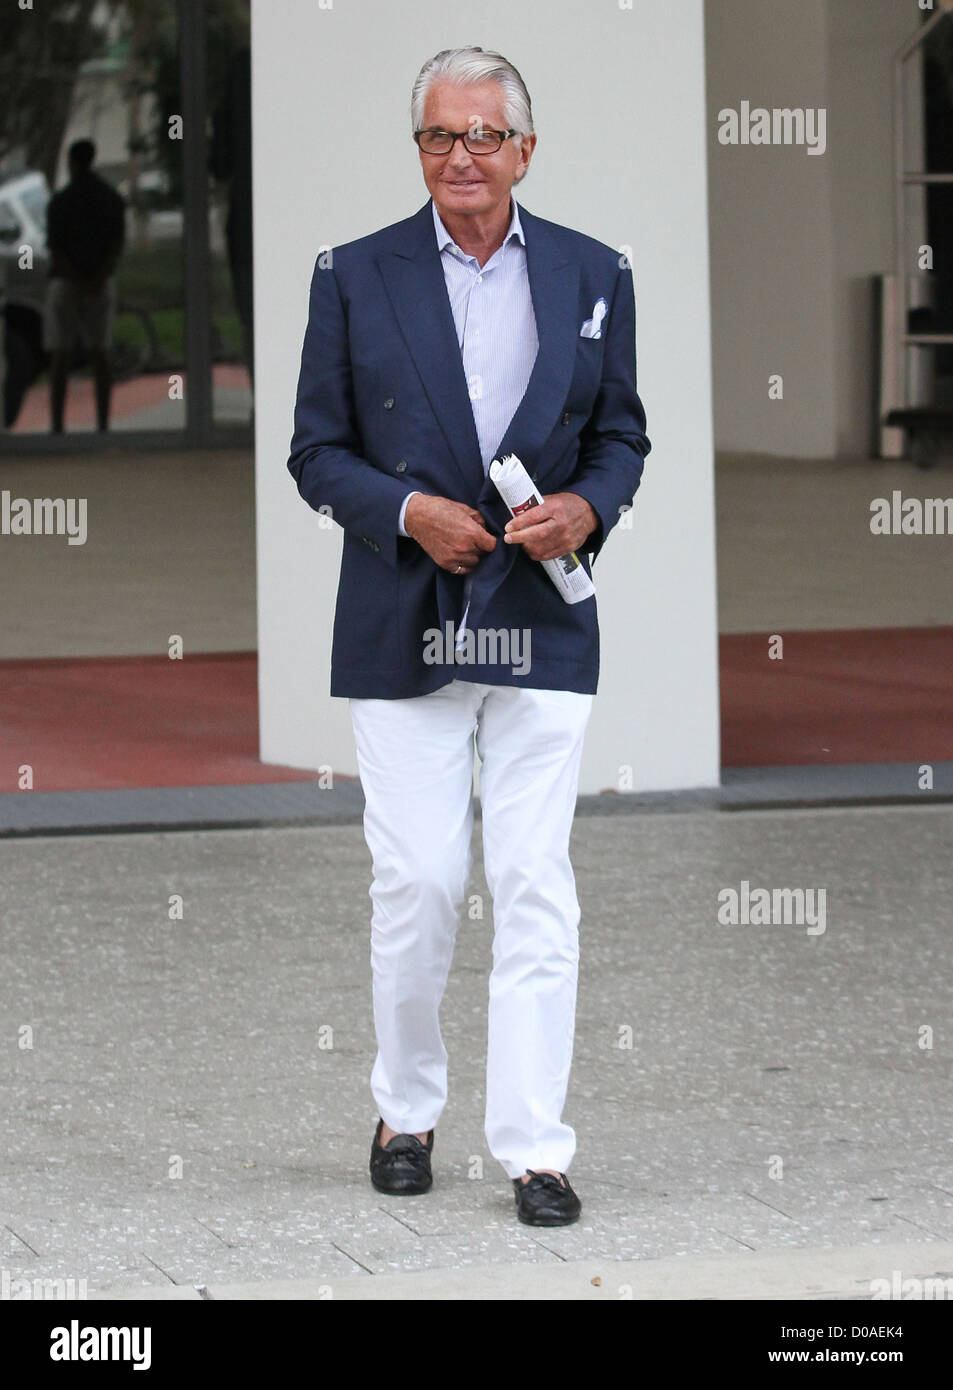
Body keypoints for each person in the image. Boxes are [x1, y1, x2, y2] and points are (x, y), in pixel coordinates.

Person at [287, 46, 650, 1226]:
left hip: (542, 616)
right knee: (421, 880)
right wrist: (407, 513)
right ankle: (404, 1108)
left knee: (534, 880)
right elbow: (315, 451)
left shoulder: (595, 271)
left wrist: (586, 507)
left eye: (483, 135)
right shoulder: (351, 274)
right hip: (404, 615)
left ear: (524, 150)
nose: (460, 157)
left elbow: (621, 435)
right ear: (419, 150)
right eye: (438, 136)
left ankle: (534, 1147)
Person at [44, 139, 125, 433]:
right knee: (100, 353)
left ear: (71, 162)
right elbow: (116, 244)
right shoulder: (110, 198)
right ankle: (103, 425)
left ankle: (57, 427)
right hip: (99, 283)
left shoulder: (61, 201)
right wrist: (97, 277)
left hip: (66, 282)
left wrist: (75, 277)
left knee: (60, 355)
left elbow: (55, 247)